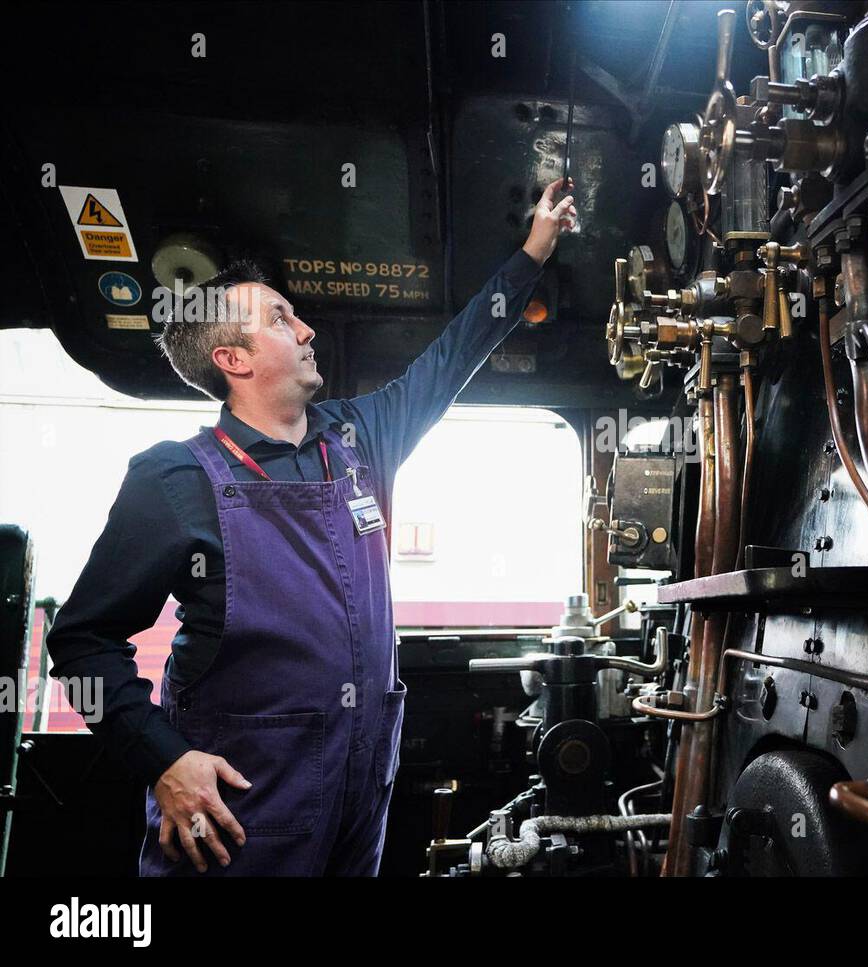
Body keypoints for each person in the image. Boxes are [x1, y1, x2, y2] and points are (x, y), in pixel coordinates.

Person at [45, 178, 577, 876]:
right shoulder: (176, 480)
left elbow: (452, 357)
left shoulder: (359, 437)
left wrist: (533, 250)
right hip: (239, 822)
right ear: (233, 360)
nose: (306, 330)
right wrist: (164, 760)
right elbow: (82, 642)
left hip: (359, 808)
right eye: (280, 318)